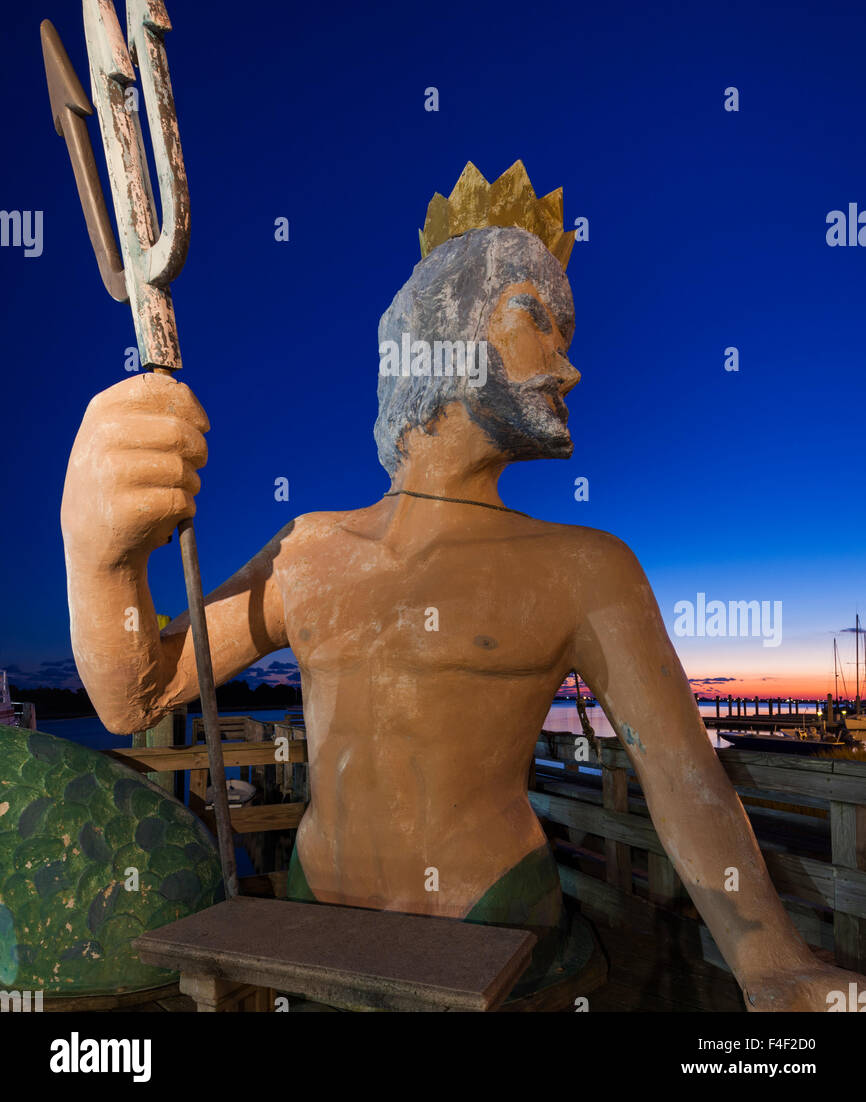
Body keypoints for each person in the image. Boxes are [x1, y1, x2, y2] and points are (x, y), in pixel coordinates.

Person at [61, 162, 864, 1011]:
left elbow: (682, 775)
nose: (569, 367)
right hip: (310, 920)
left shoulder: (585, 568)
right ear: (442, 333)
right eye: (538, 321)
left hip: (492, 926)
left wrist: (771, 963)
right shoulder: (305, 551)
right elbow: (136, 695)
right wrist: (101, 558)